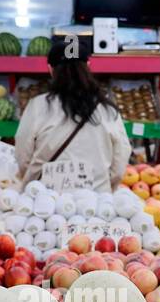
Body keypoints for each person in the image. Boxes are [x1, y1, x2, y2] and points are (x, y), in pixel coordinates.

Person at [15, 36, 131, 192]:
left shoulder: (37, 106)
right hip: (96, 201)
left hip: (47, 201)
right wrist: (106, 185)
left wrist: (32, 179)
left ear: (50, 69)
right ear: (88, 66)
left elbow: (23, 154)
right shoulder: (107, 109)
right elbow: (121, 155)